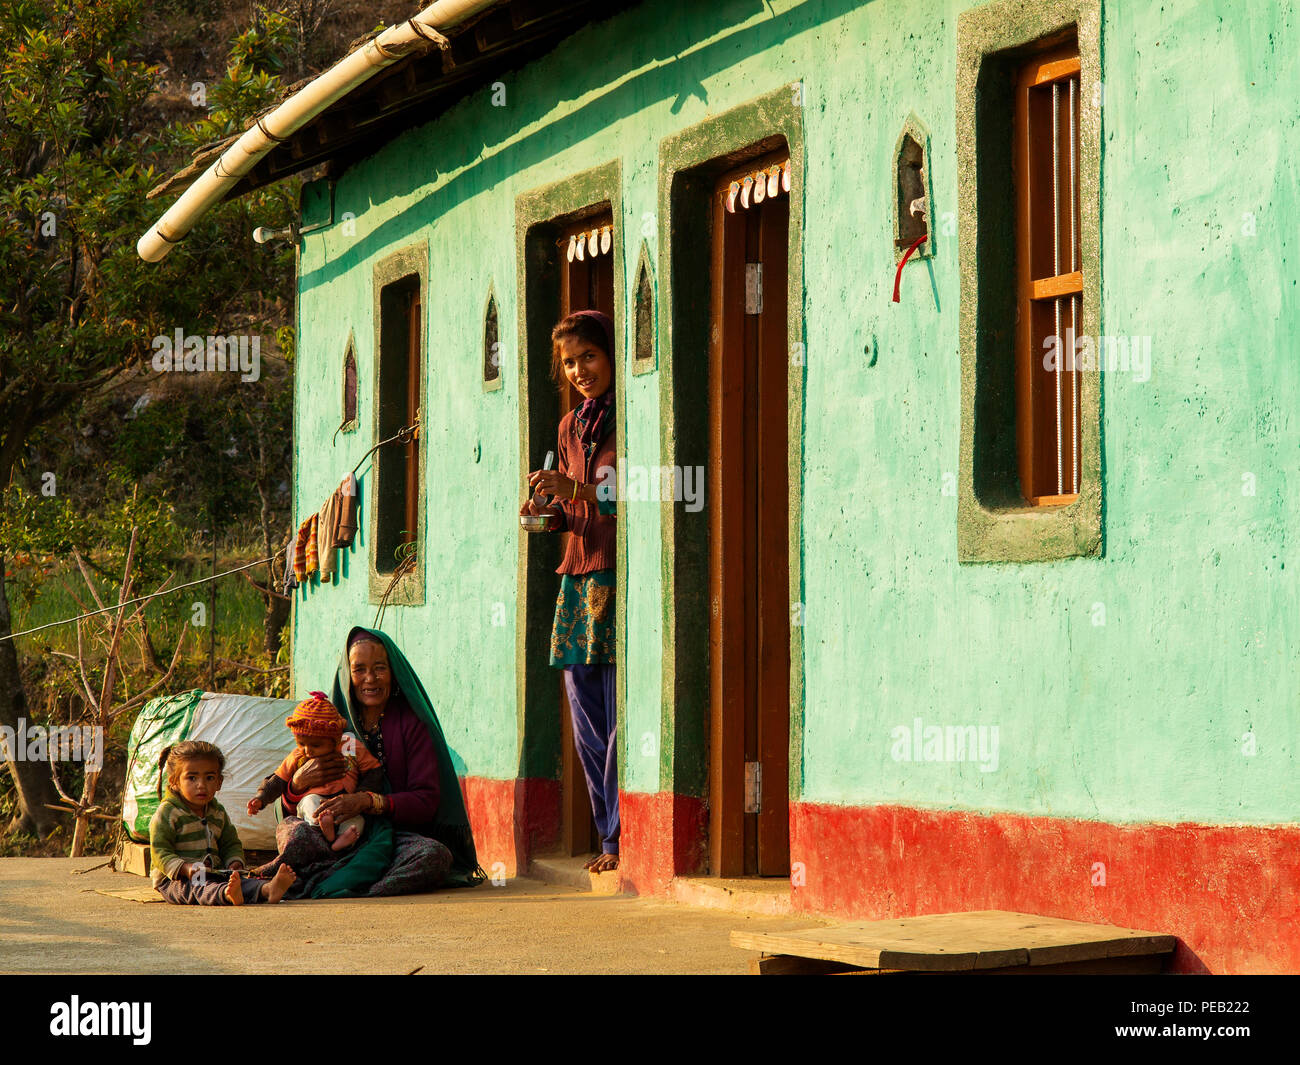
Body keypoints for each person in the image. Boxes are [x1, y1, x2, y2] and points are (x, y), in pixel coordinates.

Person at [254, 627, 484, 898]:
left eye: (379, 668)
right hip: (324, 836)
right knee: (297, 836)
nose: (370, 678)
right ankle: (340, 880)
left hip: (387, 837)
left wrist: (367, 801)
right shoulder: (328, 725)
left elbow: (426, 802)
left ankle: (338, 885)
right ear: (347, 675)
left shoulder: (412, 726)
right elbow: (288, 805)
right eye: (359, 669)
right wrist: (297, 784)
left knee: (433, 855)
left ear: (393, 672)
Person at [519, 309, 620, 873]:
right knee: (584, 716)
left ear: (608, 355)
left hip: (614, 573)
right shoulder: (567, 426)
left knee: (614, 709)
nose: (580, 370)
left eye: (589, 356)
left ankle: (615, 840)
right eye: (570, 363)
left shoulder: (627, 416)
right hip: (576, 578)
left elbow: (636, 491)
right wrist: (545, 511)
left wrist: (575, 488)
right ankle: (608, 831)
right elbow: (567, 511)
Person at [150, 740, 296, 905]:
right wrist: (186, 868)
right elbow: (159, 853)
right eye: (191, 778)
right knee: (200, 888)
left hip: (215, 873)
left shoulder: (217, 812)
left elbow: (230, 843)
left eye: (210, 778)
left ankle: (268, 890)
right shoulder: (168, 813)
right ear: (174, 781)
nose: (201, 785)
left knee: (243, 881)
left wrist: (233, 861)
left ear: (219, 782)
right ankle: (227, 895)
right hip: (176, 879)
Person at [247, 691, 382, 851]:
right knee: (310, 804)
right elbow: (278, 780)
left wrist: (360, 795)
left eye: (316, 745)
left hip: (345, 805)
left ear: (335, 739)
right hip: (316, 801)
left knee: (357, 822)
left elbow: (374, 771)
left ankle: (339, 843)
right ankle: (322, 833)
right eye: (301, 743)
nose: (307, 750)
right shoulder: (298, 755)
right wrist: (261, 798)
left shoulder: (348, 746)